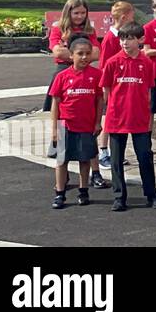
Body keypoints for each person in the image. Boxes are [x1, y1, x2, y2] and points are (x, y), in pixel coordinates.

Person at [100, 21, 156, 211]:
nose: (125, 43)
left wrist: (148, 116)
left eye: (129, 39)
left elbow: (150, 91)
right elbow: (106, 90)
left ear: (140, 40)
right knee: (116, 159)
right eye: (122, 39)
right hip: (117, 118)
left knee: (145, 156)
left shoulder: (147, 63)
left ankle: (151, 194)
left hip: (139, 118)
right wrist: (110, 111)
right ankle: (119, 196)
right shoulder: (112, 62)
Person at [49, 35, 103, 208]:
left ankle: (83, 190)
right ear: (71, 55)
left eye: (88, 53)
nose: (84, 57)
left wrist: (97, 122)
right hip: (65, 125)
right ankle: (60, 193)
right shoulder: (62, 76)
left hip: (86, 126)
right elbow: (55, 103)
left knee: (85, 159)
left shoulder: (96, 75)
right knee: (61, 161)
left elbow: (99, 101)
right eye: (80, 53)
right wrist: (54, 128)